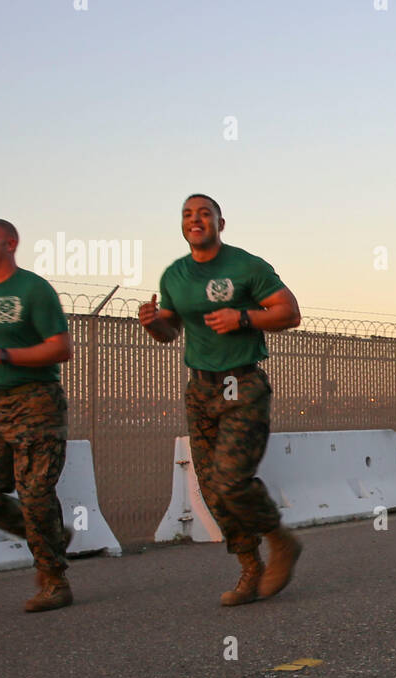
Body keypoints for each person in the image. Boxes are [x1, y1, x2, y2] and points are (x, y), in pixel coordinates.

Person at [139, 194, 304, 606]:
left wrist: (242, 317)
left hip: (242, 383)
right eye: (188, 215)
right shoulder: (174, 275)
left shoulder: (246, 265)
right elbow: (171, 330)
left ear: (220, 223)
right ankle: (250, 569)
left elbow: (289, 312)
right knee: (212, 488)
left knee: (232, 479)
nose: (196, 220)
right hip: (201, 388)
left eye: (204, 214)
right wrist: (154, 323)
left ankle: (280, 541)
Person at [0, 218, 74, 612]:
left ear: (11, 243)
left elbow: (60, 348)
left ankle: (53, 578)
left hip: (37, 401)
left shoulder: (33, 289)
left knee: (35, 492)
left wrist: (5, 357)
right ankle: (55, 536)